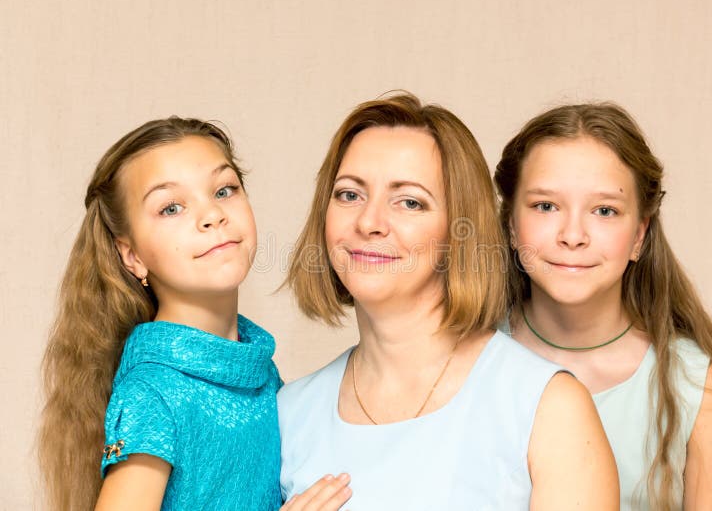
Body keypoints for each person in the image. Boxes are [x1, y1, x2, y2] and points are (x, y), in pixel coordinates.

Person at [280, 92, 619, 510]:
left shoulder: (547, 408)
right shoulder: (288, 414)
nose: (369, 222)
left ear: (459, 232)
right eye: (350, 195)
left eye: (409, 202)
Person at [38, 118, 350, 511]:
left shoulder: (258, 371)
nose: (212, 215)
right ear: (131, 256)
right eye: (171, 208)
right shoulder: (153, 392)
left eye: (224, 190)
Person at [494, 103, 712, 510]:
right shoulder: (461, 362)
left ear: (639, 234)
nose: (573, 235)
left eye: (604, 211)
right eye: (545, 206)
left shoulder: (695, 391)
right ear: (512, 225)